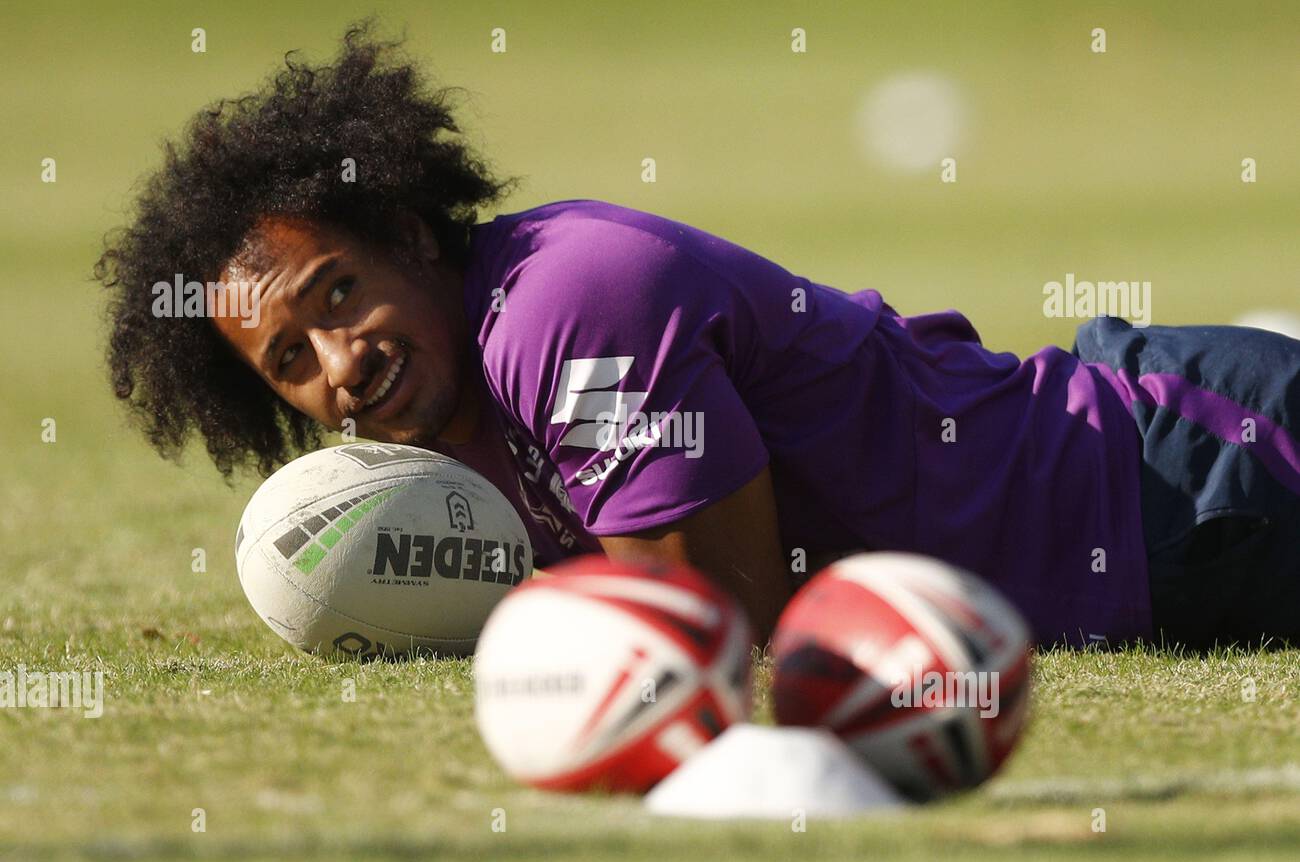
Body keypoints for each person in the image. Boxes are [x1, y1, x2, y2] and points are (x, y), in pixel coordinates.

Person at [97, 27, 1300, 649]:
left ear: (411, 232)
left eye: (338, 294)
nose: (341, 362)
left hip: (1180, 476)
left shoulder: (569, 302)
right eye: (290, 363)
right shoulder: (441, 440)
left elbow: (716, 617)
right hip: (1151, 541)